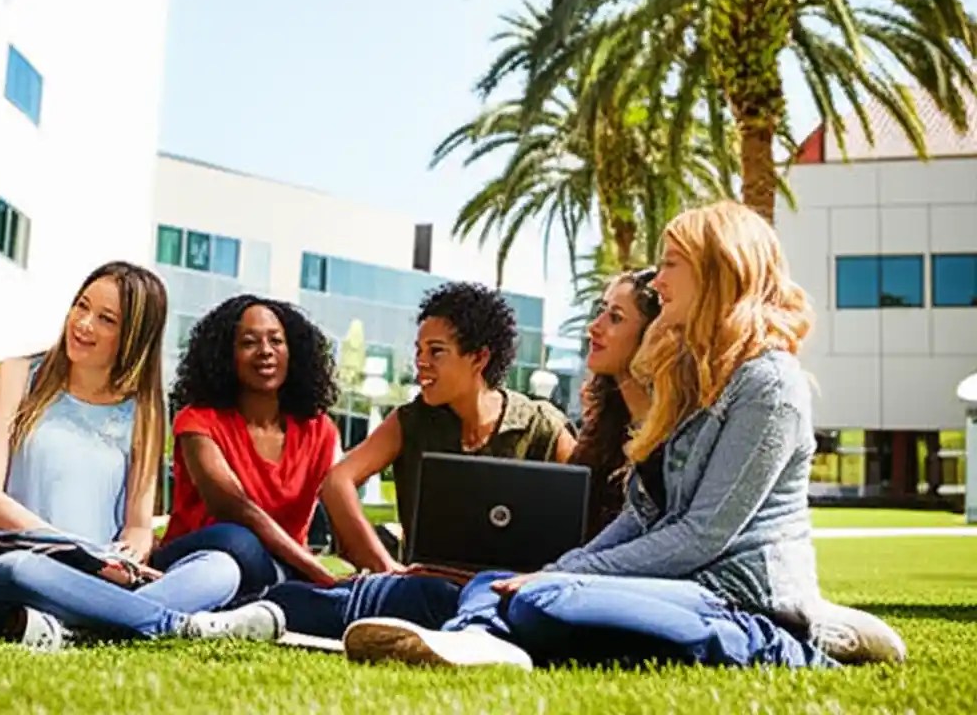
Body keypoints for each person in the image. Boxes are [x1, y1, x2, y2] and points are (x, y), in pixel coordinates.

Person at [341, 200, 907, 670]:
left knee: (550, 598)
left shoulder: (770, 384)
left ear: (719, 269)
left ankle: (801, 644)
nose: (658, 281)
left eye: (672, 265)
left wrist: (568, 574)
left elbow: (702, 535)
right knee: (506, 585)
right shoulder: (689, 377)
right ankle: (481, 641)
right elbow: (641, 514)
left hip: (739, 595)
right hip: (678, 585)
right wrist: (560, 566)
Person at [0, 262, 284, 650]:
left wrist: (127, 554)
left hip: (98, 579)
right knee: (20, 568)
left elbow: (138, 528)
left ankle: (80, 629)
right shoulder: (15, 376)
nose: (83, 323)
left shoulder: (145, 411)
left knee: (221, 568)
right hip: (9, 571)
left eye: (105, 319)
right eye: (81, 305)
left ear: (133, 338)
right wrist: (74, 551)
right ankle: (175, 625)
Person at [263, 281, 577, 638]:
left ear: (479, 357)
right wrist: (384, 565)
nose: (420, 363)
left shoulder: (541, 425)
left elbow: (587, 507)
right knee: (292, 598)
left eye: (436, 351)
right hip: (422, 588)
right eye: (419, 350)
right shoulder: (411, 421)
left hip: (506, 593)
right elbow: (337, 483)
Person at [151, 294, 343, 595]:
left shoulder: (320, 430)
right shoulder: (198, 421)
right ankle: (281, 590)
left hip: (280, 563)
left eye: (276, 341)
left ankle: (273, 593)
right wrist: (318, 573)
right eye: (249, 342)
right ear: (226, 355)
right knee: (238, 539)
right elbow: (235, 509)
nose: (265, 351)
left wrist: (382, 569)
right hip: (202, 556)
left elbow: (341, 504)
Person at [573, 267, 660, 539]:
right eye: (601, 311)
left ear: (652, 336)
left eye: (615, 318)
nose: (594, 327)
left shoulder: (681, 439)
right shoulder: (603, 427)